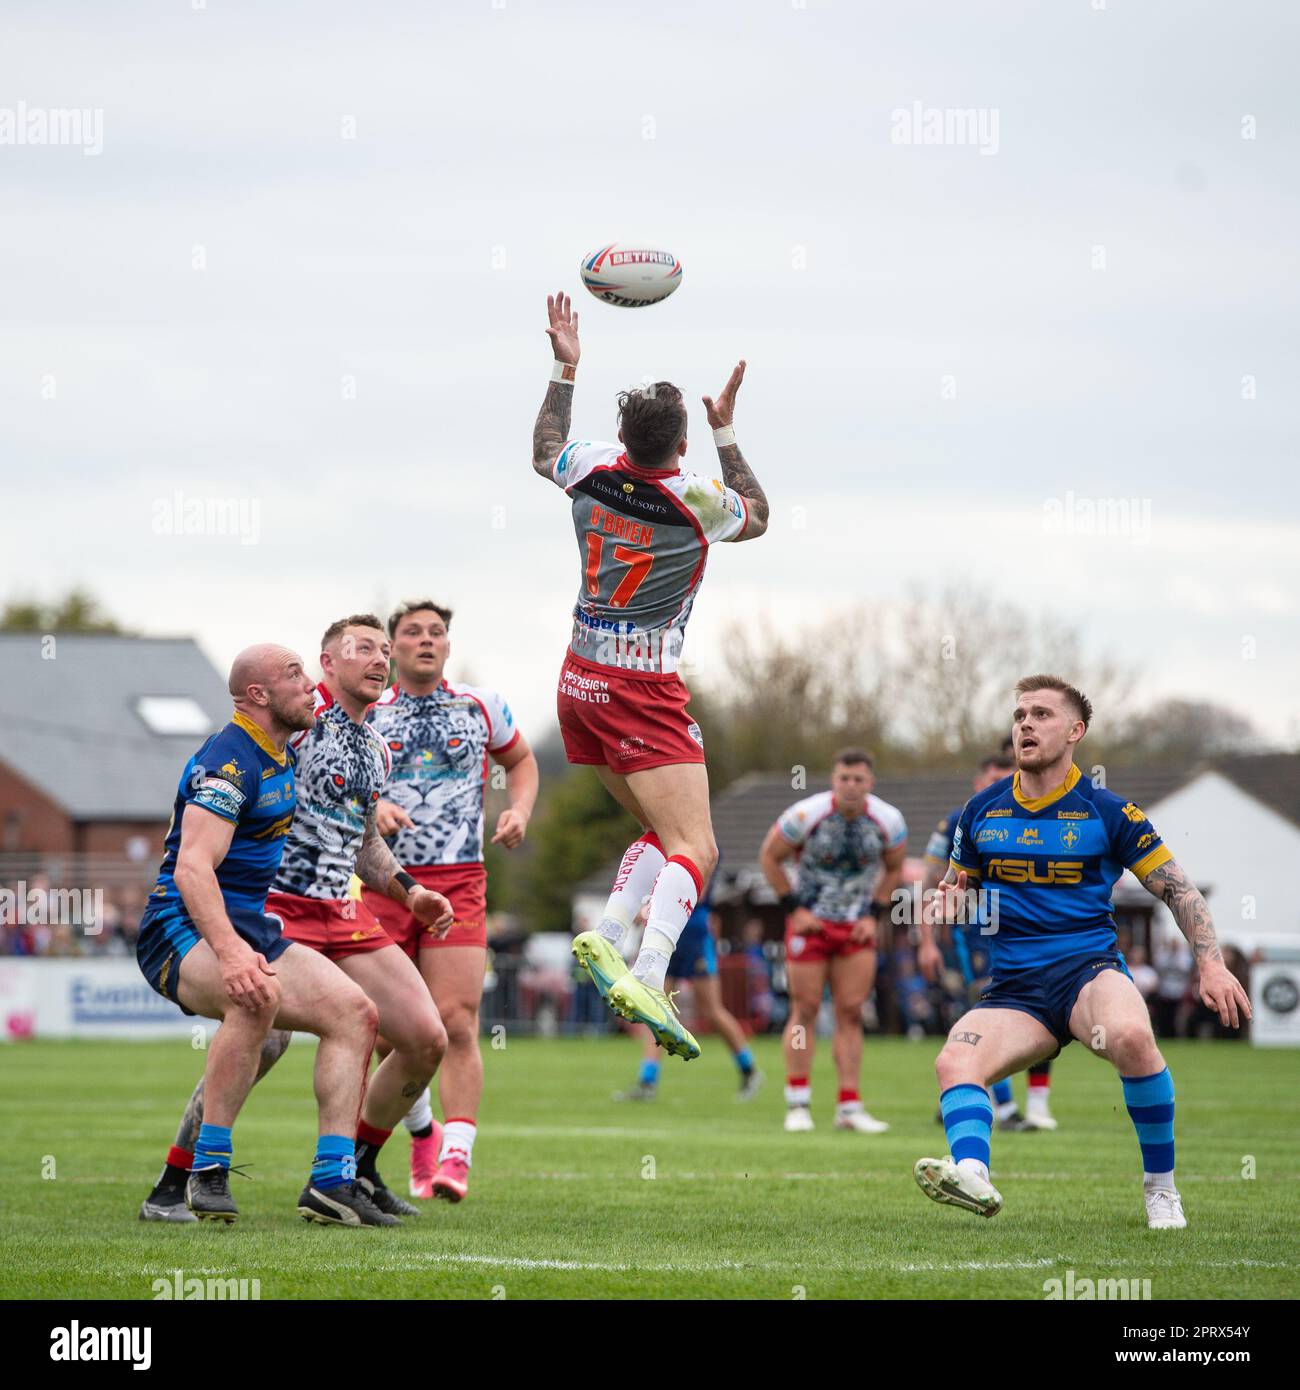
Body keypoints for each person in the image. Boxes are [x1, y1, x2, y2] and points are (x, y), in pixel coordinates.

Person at [140, 619, 454, 1225]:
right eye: (365, 648)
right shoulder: (281, 737)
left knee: (422, 1035)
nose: (381, 659)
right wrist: (231, 949)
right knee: (263, 1029)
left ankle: (348, 1174)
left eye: (385, 650)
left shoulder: (372, 746)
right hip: (274, 906)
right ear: (327, 663)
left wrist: (409, 890)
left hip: (339, 908)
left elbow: (359, 837)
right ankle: (183, 1175)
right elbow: (196, 858)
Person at [914, 675, 1251, 1229]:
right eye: (1020, 714)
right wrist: (949, 908)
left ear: (1075, 731)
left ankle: (1161, 1190)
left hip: (1088, 974)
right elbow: (958, 892)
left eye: (1041, 714)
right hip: (1016, 991)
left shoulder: (1109, 811)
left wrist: (1210, 964)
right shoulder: (980, 812)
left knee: (1133, 1037)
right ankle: (973, 1171)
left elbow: (1178, 890)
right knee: (954, 1060)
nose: (1025, 723)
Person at [531, 290, 769, 1061]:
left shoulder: (588, 467)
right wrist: (728, 425)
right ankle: (651, 965)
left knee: (658, 837)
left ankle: (605, 933)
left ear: (623, 435)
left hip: (578, 684)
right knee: (696, 849)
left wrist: (565, 368)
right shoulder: (697, 499)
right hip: (643, 691)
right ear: (684, 443)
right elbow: (759, 513)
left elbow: (544, 448)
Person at [364, 599, 538, 1202]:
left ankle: (456, 1156)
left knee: (456, 1020)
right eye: (413, 632)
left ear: (448, 645)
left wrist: (519, 810)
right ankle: (421, 1131)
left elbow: (521, 761)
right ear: (392, 648)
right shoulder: (365, 712)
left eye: (437, 632)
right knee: (387, 1033)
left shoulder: (480, 706)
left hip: (460, 879)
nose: (427, 641)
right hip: (385, 881)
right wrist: (373, 808)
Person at [758, 750, 907, 1134]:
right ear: (833, 781)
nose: (851, 786)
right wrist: (794, 909)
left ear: (870, 784)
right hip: (810, 924)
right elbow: (769, 858)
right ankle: (798, 1101)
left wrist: (874, 915)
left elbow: (894, 869)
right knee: (804, 1009)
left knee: (852, 1012)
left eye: (859, 779)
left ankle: (849, 1106)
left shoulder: (889, 821)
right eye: (844, 778)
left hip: (856, 927)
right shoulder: (804, 816)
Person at [918, 752, 1057, 1131]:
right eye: (992, 778)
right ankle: (1006, 1108)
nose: (999, 785)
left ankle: (984, 1094)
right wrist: (926, 941)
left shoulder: (1039, 817)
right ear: (978, 783)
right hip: (975, 934)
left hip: (1025, 934)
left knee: (1039, 1012)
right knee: (986, 1005)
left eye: (1005, 777)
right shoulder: (956, 821)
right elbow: (930, 882)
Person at [614, 879, 762, 1101]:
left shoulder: (705, 848)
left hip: (692, 933)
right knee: (656, 1008)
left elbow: (695, 893)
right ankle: (647, 1081)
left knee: (712, 1010)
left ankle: (749, 1069)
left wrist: (652, 907)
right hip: (669, 929)